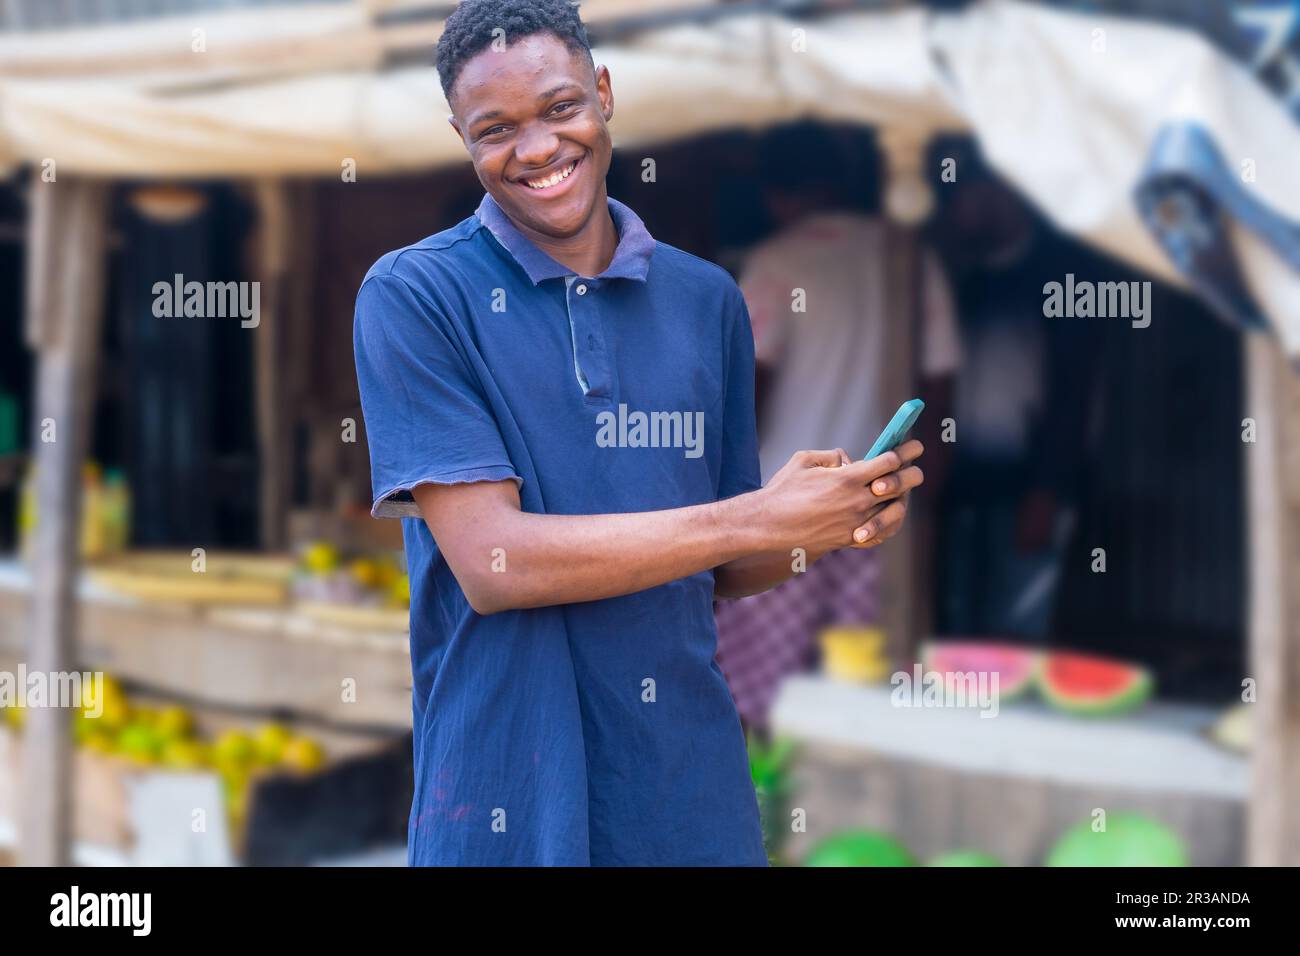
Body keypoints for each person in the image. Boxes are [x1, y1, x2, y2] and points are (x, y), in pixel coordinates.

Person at [352, 0, 923, 866]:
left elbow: (724, 568)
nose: (537, 148)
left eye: (559, 107)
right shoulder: (416, 296)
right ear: (460, 136)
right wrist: (756, 519)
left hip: (687, 796)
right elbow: (493, 564)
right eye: (495, 128)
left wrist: (823, 526)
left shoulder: (708, 301)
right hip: (506, 795)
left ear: (604, 92)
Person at [715, 126, 961, 733]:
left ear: (775, 194)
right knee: (864, 693)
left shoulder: (777, 262)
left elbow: (749, 389)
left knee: (759, 695)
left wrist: (724, 502)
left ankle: (773, 816)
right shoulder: (910, 257)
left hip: (785, 505)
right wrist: (927, 499)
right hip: (880, 508)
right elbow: (941, 385)